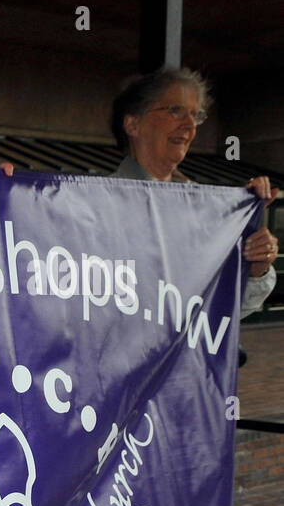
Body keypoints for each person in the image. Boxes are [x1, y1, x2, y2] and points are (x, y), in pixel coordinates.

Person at [110, 67, 278, 318]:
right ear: (133, 124)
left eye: (196, 115)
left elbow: (225, 310)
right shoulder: (97, 206)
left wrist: (256, 266)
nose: (189, 125)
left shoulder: (208, 208)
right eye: (175, 111)